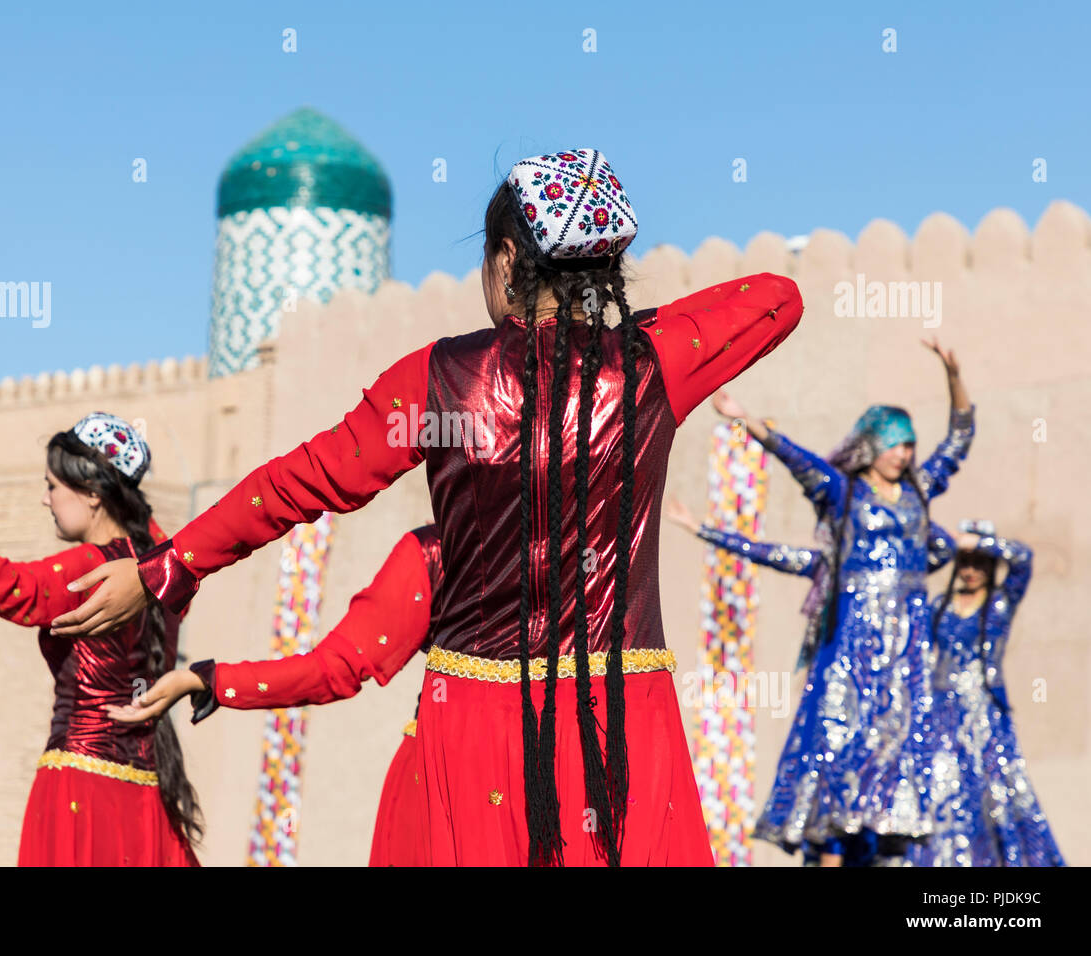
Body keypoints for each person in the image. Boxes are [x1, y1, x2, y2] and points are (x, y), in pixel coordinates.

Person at [51, 147, 804, 866]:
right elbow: (777, 298)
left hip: (476, 719)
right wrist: (613, 329)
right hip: (619, 715)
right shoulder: (649, 367)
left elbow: (298, 483)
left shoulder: (439, 381)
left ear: (506, 260)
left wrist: (169, 566)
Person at [0, 413, 201, 866]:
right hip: (150, 793)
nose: (45, 499)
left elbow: (10, 586)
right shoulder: (161, 572)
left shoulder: (89, 569)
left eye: (52, 486)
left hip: (80, 790)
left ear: (92, 494)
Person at [712, 342, 975, 866]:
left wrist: (953, 377)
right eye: (896, 443)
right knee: (837, 744)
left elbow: (960, 439)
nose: (905, 453)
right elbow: (797, 460)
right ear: (874, 444)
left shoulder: (920, 492)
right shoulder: (843, 493)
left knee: (900, 750)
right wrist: (748, 422)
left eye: (910, 444)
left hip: (906, 647)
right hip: (852, 645)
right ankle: (828, 849)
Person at [106, 524, 443, 866]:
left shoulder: (437, 551)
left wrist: (209, 680)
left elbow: (334, 668)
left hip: (446, 775)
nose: (46, 501)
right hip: (438, 776)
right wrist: (212, 680)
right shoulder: (438, 552)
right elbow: (334, 668)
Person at [907, 521, 1065, 866]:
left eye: (980, 562)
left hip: (985, 719)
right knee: (941, 792)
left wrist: (980, 541)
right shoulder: (939, 606)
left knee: (994, 794)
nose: (971, 570)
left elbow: (1023, 559)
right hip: (940, 716)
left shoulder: (1000, 604)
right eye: (965, 561)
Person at [665, 498, 958, 671]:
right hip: (837, 667)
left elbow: (943, 549)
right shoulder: (826, 566)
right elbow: (762, 552)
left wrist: (902, 507)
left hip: (893, 667)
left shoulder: (898, 570)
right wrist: (698, 529)